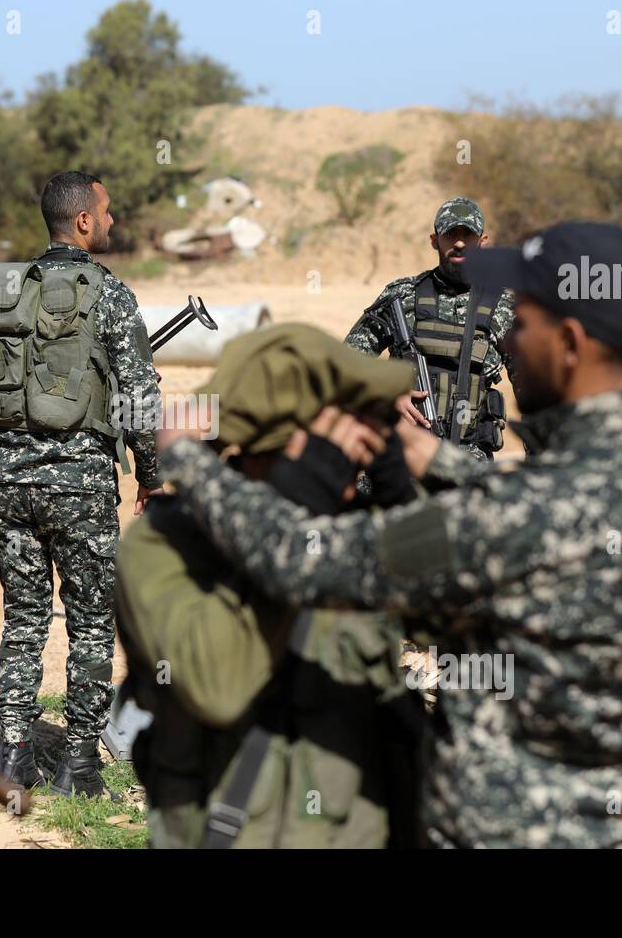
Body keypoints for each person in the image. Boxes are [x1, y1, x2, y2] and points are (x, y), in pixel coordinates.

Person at [156, 222, 622, 847]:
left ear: (571, 343)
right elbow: (539, 513)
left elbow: (299, 561)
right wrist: (430, 455)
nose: (513, 345)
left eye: (522, 326)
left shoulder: (516, 516)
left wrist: (186, 460)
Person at [116, 325, 427, 847]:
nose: (351, 476)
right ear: (261, 453)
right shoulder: (166, 543)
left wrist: (402, 495)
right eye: (333, 452)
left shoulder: (343, 527)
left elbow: (468, 599)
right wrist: (298, 505)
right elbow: (219, 684)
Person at [0, 171, 162, 796]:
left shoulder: (3, 293)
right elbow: (141, 398)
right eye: (108, 211)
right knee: (92, 622)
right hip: (82, 488)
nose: (113, 221)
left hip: (9, 482)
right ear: (84, 222)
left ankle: (10, 757)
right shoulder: (111, 295)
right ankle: (79, 766)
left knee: (24, 617)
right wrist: (151, 476)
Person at [345, 197, 515, 461]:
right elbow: (343, 365)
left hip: (468, 467)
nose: (459, 243)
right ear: (435, 241)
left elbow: (535, 391)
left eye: (467, 235)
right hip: (400, 459)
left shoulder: (504, 308)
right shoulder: (401, 297)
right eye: (450, 234)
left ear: (482, 242)